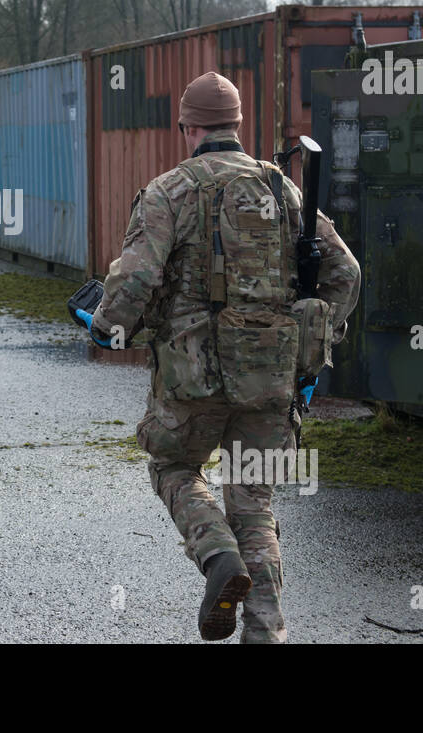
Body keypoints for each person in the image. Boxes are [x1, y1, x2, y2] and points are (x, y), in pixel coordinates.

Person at [86, 72, 360, 642]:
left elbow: (135, 280)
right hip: (272, 379)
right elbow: (346, 273)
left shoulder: (169, 191)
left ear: (186, 125)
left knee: (174, 467)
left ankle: (217, 558)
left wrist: (105, 328)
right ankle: (265, 634)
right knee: (254, 500)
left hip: (192, 379)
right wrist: (312, 347)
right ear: (238, 124)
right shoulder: (281, 188)